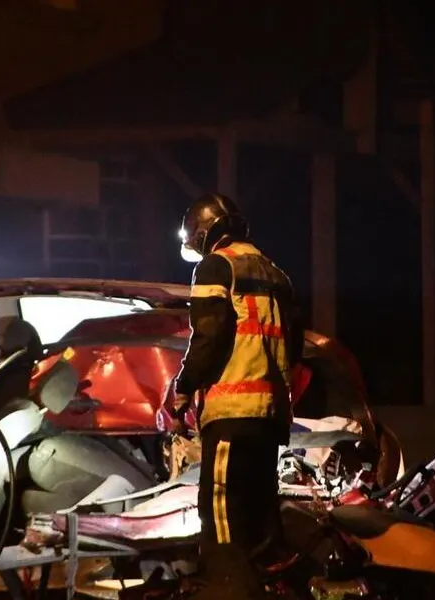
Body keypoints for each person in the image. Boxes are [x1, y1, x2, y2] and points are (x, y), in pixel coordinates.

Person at [170, 193, 303, 599]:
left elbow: (208, 336)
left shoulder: (216, 266)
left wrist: (183, 388)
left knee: (222, 518)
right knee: (261, 519)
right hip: (270, 416)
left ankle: (230, 591)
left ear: (206, 233)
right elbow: (294, 348)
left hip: (231, 412)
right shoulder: (277, 274)